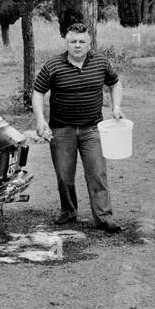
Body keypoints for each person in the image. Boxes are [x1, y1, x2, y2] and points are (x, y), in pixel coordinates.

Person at [31, 22, 124, 233]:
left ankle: (104, 218)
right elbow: (38, 92)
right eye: (73, 41)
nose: (77, 45)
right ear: (67, 42)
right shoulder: (53, 66)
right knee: (64, 176)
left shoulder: (101, 62)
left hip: (92, 129)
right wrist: (40, 119)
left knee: (97, 174)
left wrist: (116, 107)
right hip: (61, 130)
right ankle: (68, 212)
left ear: (90, 44)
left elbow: (115, 83)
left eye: (82, 42)